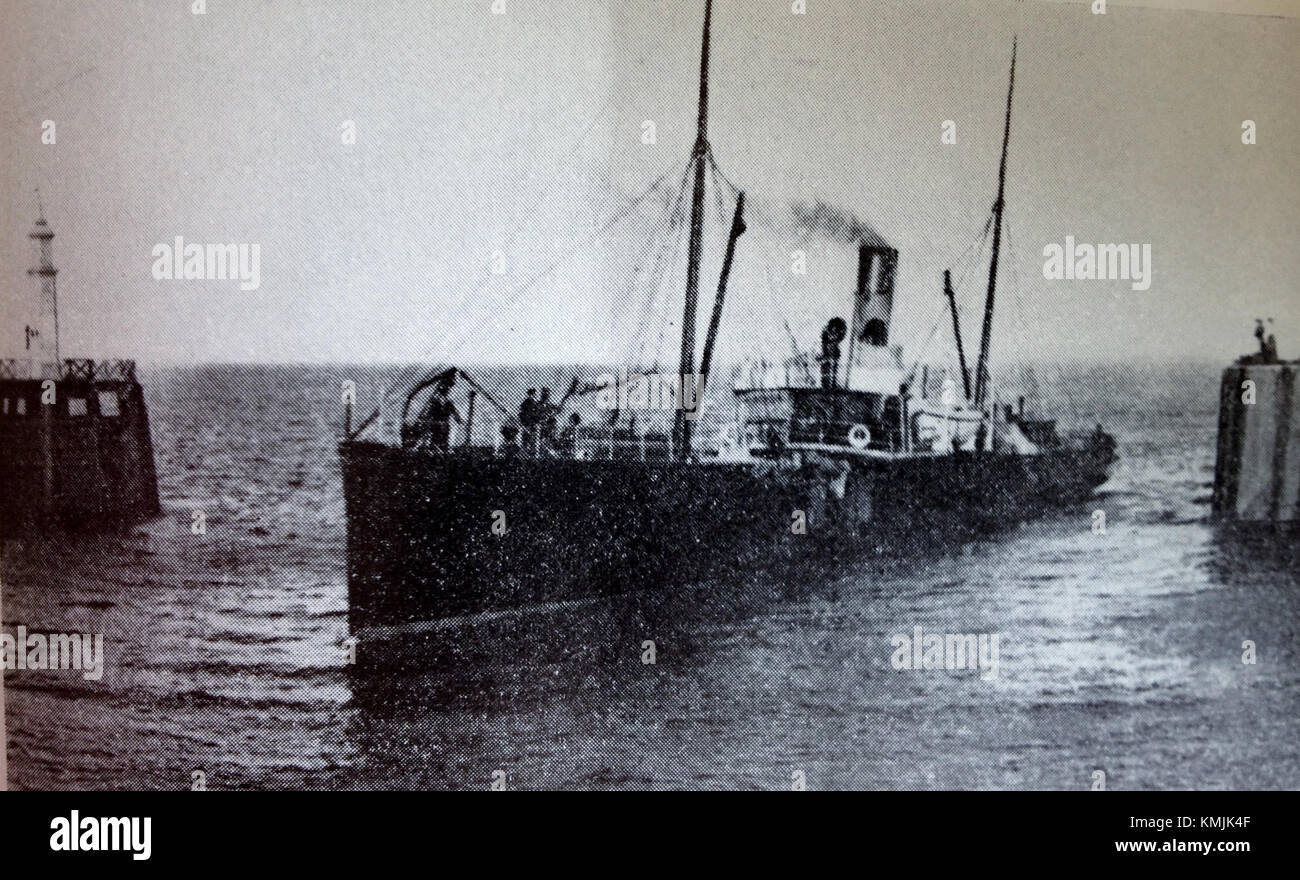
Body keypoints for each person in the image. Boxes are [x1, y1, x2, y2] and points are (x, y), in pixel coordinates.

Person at [420, 378, 461, 452]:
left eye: (445, 392)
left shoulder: (448, 403)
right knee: (436, 438)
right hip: (437, 424)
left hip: (443, 424)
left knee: (443, 439)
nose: (444, 394)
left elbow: (455, 413)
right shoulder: (436, 403)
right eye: (444, 392)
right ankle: (435, 450)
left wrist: (458, 418)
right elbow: (429, 413)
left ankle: (441, 451)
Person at [519, 388, 540, 453]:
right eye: (533, 394)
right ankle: (527, 452)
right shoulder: (526, 403)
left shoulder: (534, 403)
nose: (534, 395)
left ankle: (531, 452)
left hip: (531, 425)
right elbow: (521, 414)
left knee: (532, 440)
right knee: (527, 440)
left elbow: (537, 414)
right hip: (528, 424)